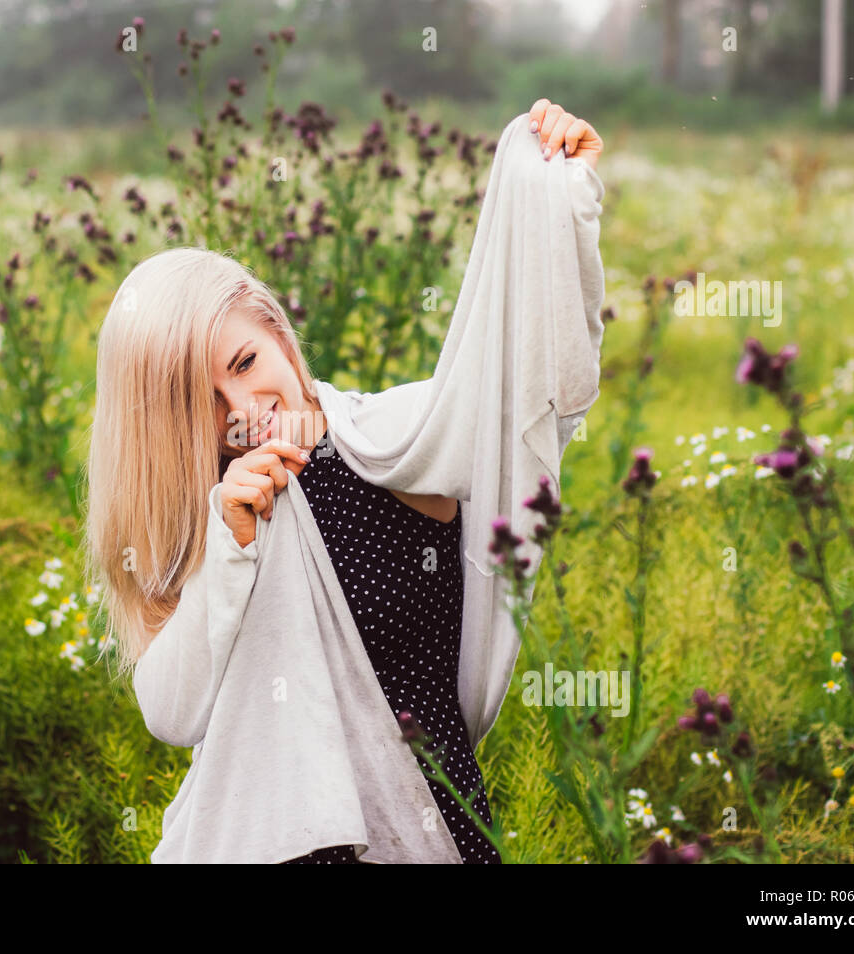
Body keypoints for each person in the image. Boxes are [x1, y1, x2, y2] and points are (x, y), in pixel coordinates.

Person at [84, 100, 603, 863]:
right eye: (205, 403)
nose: (246, 411)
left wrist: (563, 199)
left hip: (425, 831)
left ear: (275, 330)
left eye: (244, 364)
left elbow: (539, 387)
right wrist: (230, 546)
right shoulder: (220, 507)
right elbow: (171, 713)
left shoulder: (395, 439)